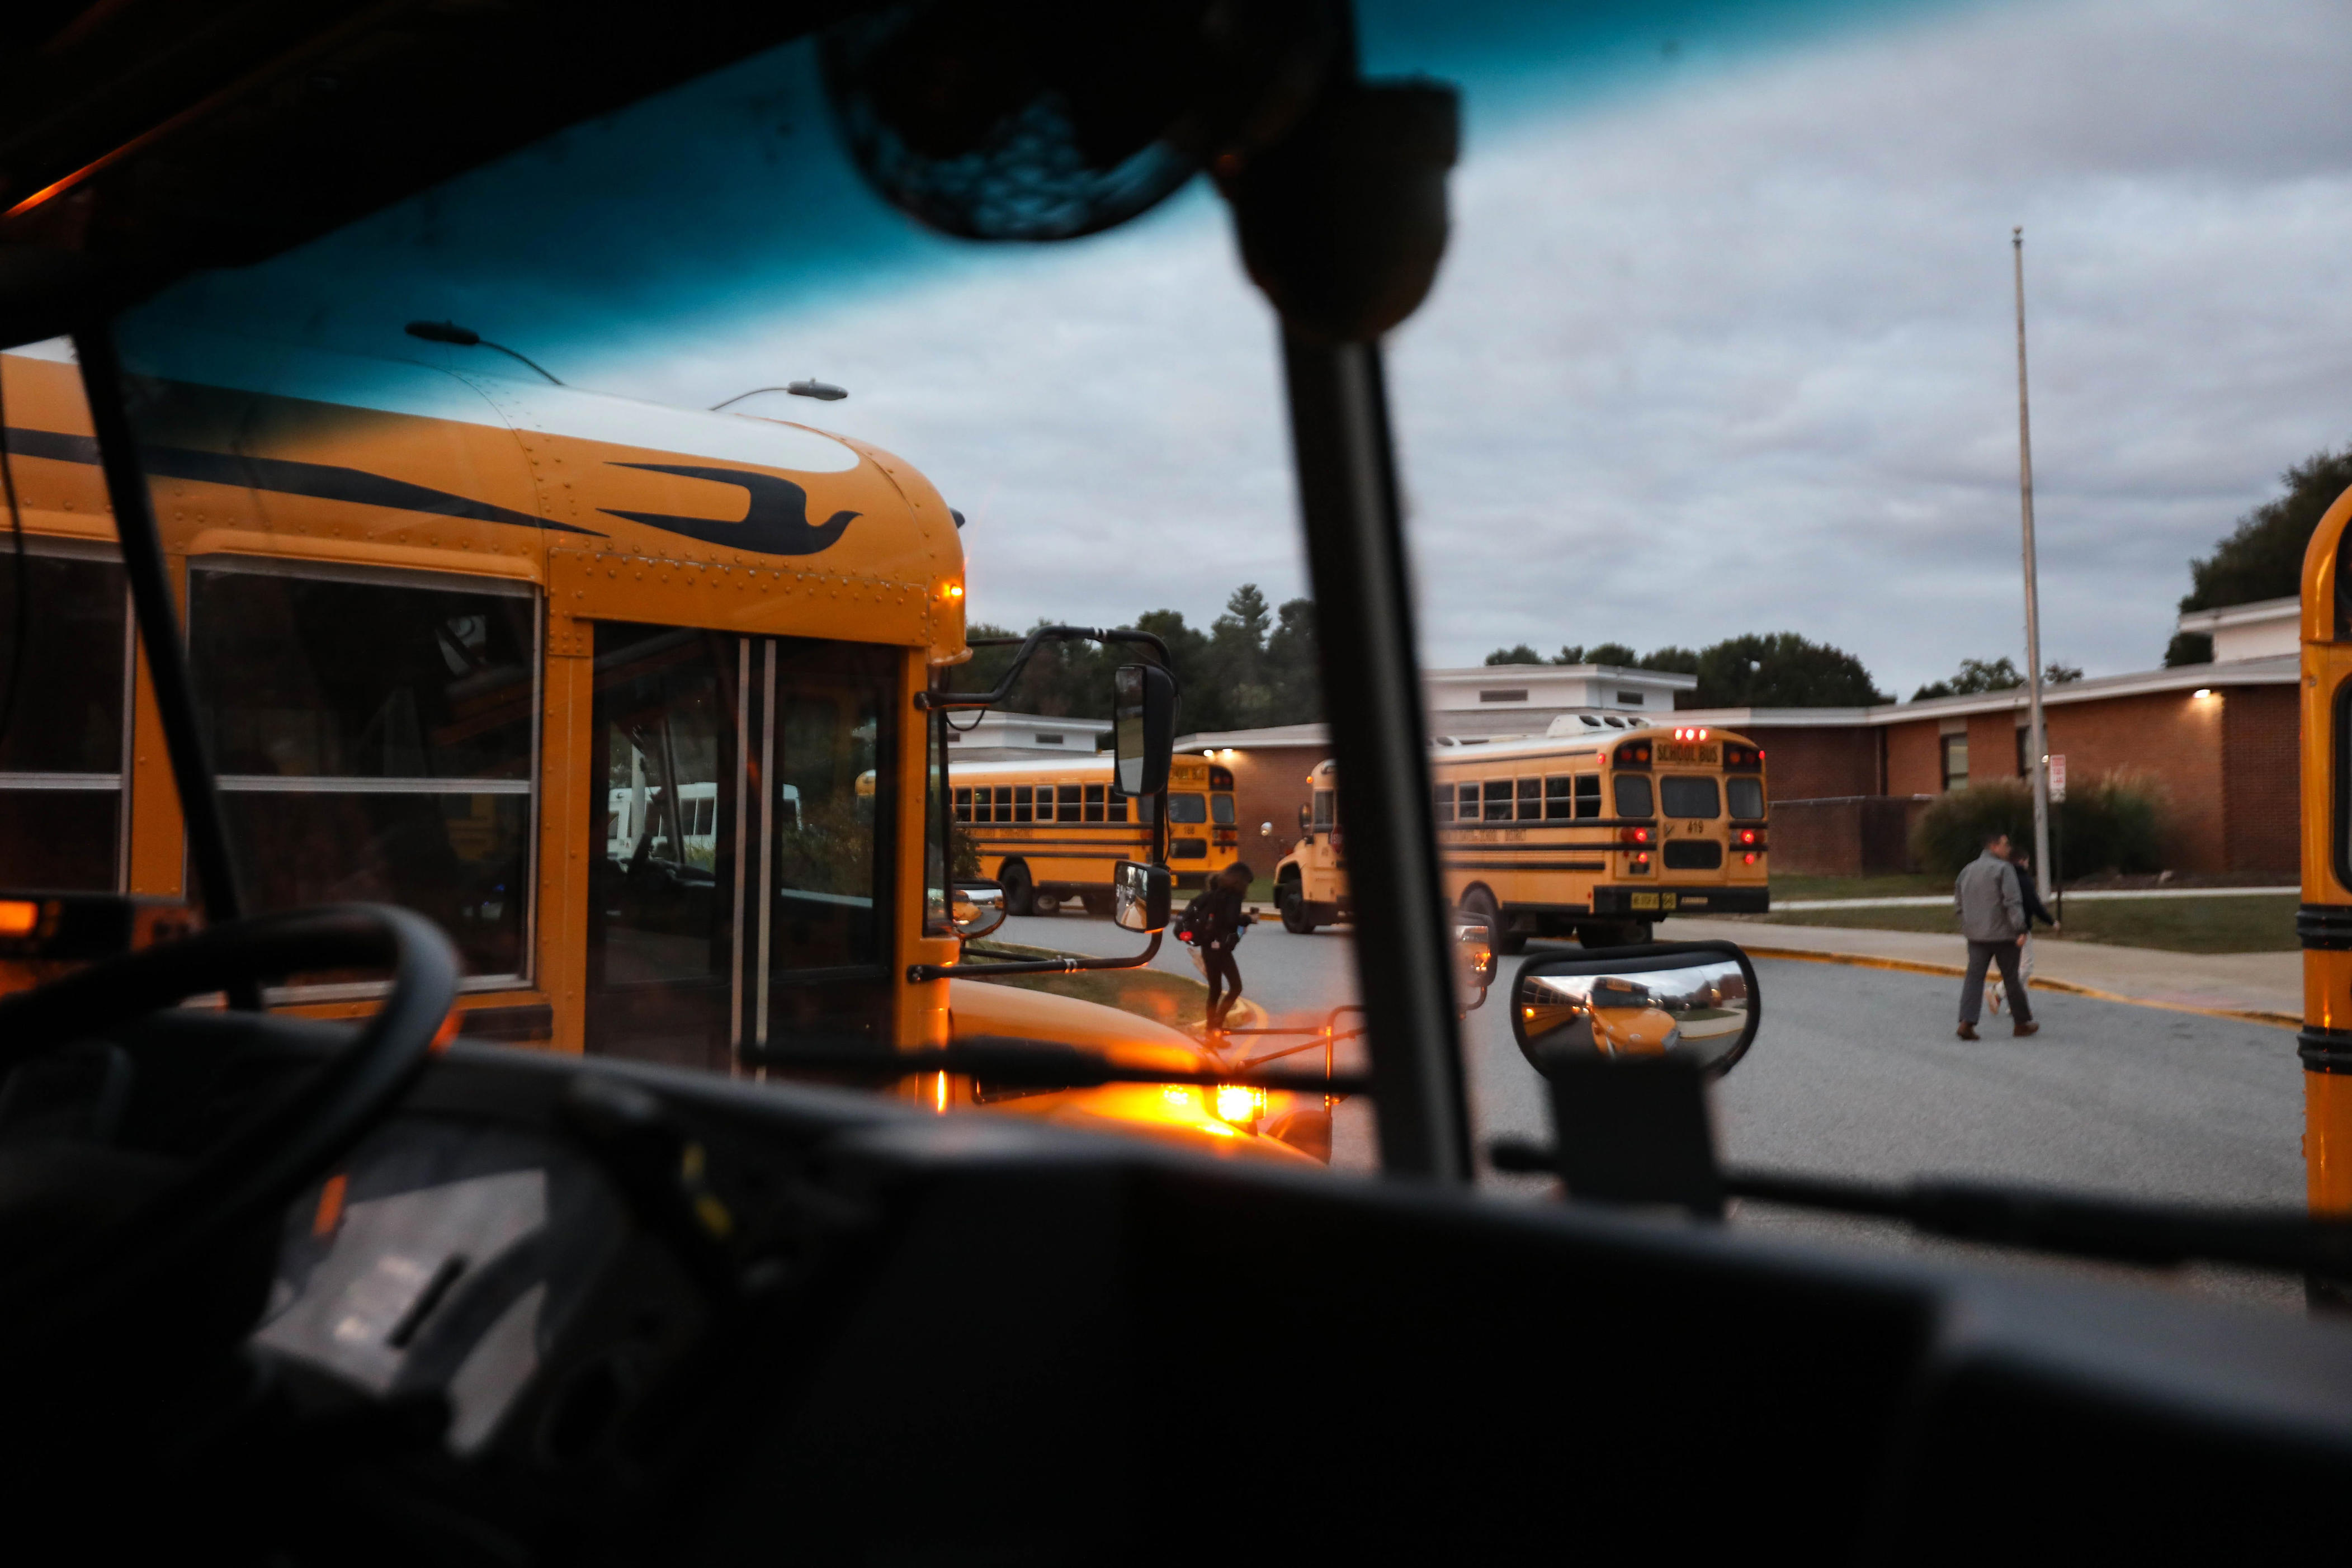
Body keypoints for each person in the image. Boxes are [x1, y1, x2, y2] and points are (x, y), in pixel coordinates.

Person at [1954, 830, 2038, 1041]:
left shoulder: (1967, 871)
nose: (2008, 849)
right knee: (2011, 977)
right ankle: (2021, 1023)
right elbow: (2012, 902)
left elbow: (1959, 904)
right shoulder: (2004, 870)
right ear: (1994, 847)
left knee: (1974, 978)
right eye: (2005, 845)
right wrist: (2020, 928)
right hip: (2003, 935)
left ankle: (1967, 1021)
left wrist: (1967, 926)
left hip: (1976, 935)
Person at [1985, 846, 2058, 1018]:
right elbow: (2034, 904)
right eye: (2027, 862)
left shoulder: (2001, 876)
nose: (2028, 866)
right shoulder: (2023, 879)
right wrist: (2051, 922)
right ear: (2022, 861)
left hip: (2001, 928)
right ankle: (1998, 991)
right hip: (2020, 928)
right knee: (2026, 966)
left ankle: (2018, 1006)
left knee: (2016, 967)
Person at [1183, 862, 1255, 1036]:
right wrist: (1246, 919)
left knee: (1215, 990)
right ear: (1241, 881)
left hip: (1208, 947)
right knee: (1236, 988)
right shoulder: (1234, 896)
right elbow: (1230, 921)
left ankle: (1210, 1030)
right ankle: (1217, 1025)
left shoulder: (1214, 894)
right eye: (1247, 883)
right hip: (1221, 950)